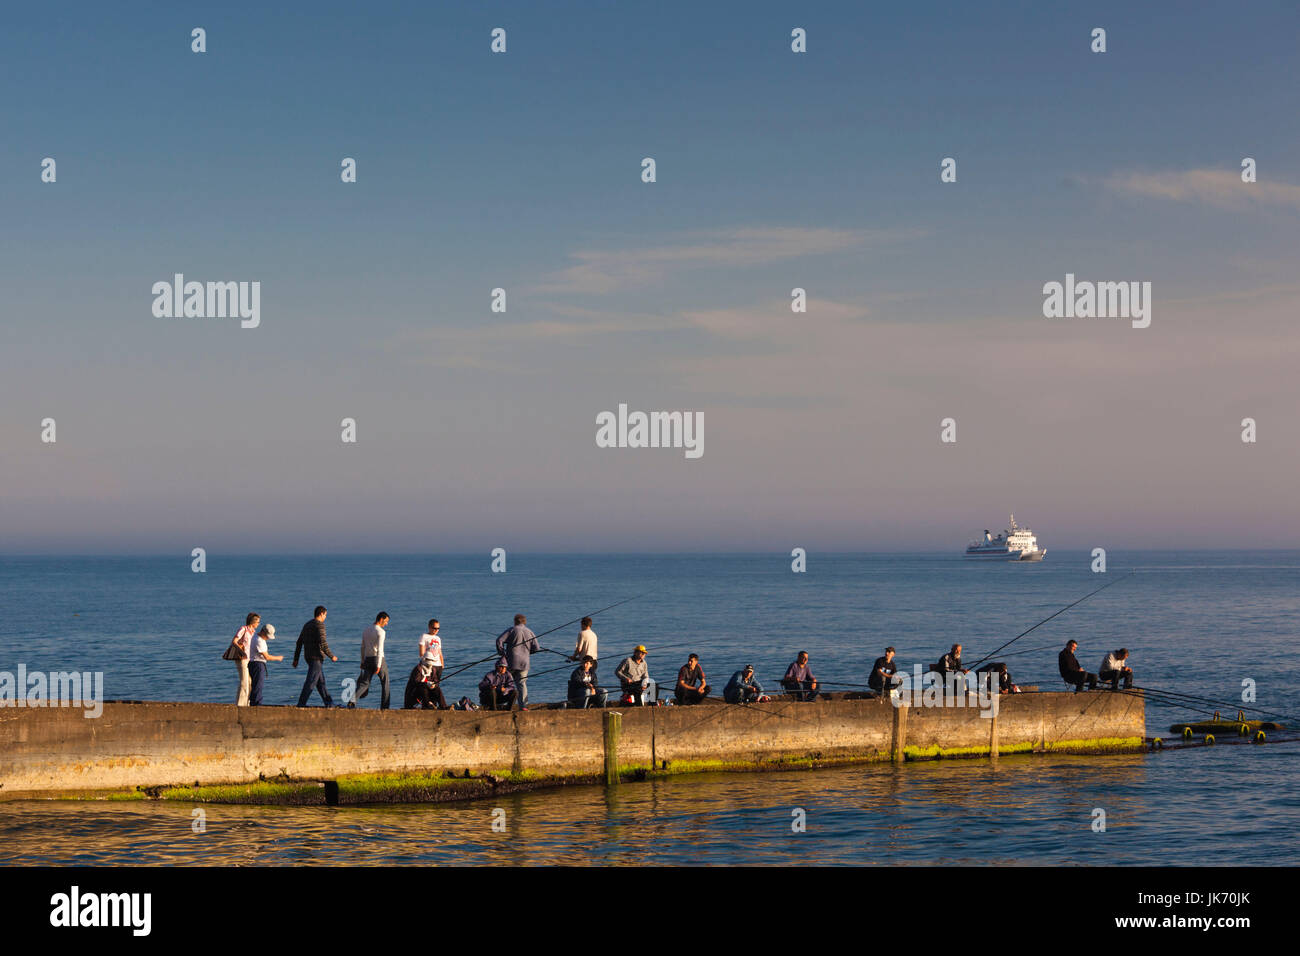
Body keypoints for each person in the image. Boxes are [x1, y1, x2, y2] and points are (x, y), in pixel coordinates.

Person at [294, 606, 338, 707]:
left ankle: (329, 703)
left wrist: (296, 659)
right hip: (316, 657)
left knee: (320, 683)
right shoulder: (320, 625)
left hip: (308, 657)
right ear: (321, 614)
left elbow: (299, 642)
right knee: (311, 681)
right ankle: (301, 704)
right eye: (325, 615)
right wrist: (331, 656)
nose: (325, 617)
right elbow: (323, 643)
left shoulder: (307, 624)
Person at [496, 614, 541, 709]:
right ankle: (523, 706)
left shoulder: (512, 630)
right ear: (524, 622)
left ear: (515, 621)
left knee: (505, 683)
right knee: (522, 684)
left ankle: (503, 705)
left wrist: (502, 653)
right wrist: (528, 652)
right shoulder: (530, 632)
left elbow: (499, 640)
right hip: (524, 663)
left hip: (511, 662)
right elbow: (537, 648)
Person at [351, 612, 391, 709]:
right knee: (385, 683)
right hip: (378, 659)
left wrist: (362, 661)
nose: (386, 624)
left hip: (367, 659)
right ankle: (385, 707)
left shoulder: (366, 630)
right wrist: (378, 665)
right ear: (381, 619)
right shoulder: (381, 632)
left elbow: (362, 647)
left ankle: (352, 701)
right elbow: (380, 649)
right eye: (386, 621)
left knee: (365, 683)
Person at [248, 623, 284, 706]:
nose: (268, 638)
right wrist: (278, 658)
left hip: (253, 663)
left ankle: (253, 703)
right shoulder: (259, 640)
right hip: (258, 664)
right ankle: (257, 704)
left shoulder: (254, 637)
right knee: (258, 686)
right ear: (263, 632)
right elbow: (266, 656)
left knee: (255, 685)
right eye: (267, 636)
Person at [417, 619, 447, 709]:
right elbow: (421, 653)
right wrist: (425, 664)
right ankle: (428, 704)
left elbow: (439, 652)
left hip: (438, 665)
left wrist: (442, 664)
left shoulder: (438, 638)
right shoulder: (424, 636)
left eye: (438, 628)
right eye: (434, 628)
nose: (436, 630)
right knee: (428, 685)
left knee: (436, 686)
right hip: (429, 665)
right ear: (429, 627)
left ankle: (434, 704)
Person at [231, 613, 259, 706]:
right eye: (257, 622)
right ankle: (241, 705)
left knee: (249, 682)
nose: (258, 624)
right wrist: (241, 652)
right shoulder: (243, 629)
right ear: (253, 621)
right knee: (244, 682)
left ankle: (244, 703)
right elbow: (234, 641)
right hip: (242, 658)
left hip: (249, 659)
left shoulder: (253, 632)